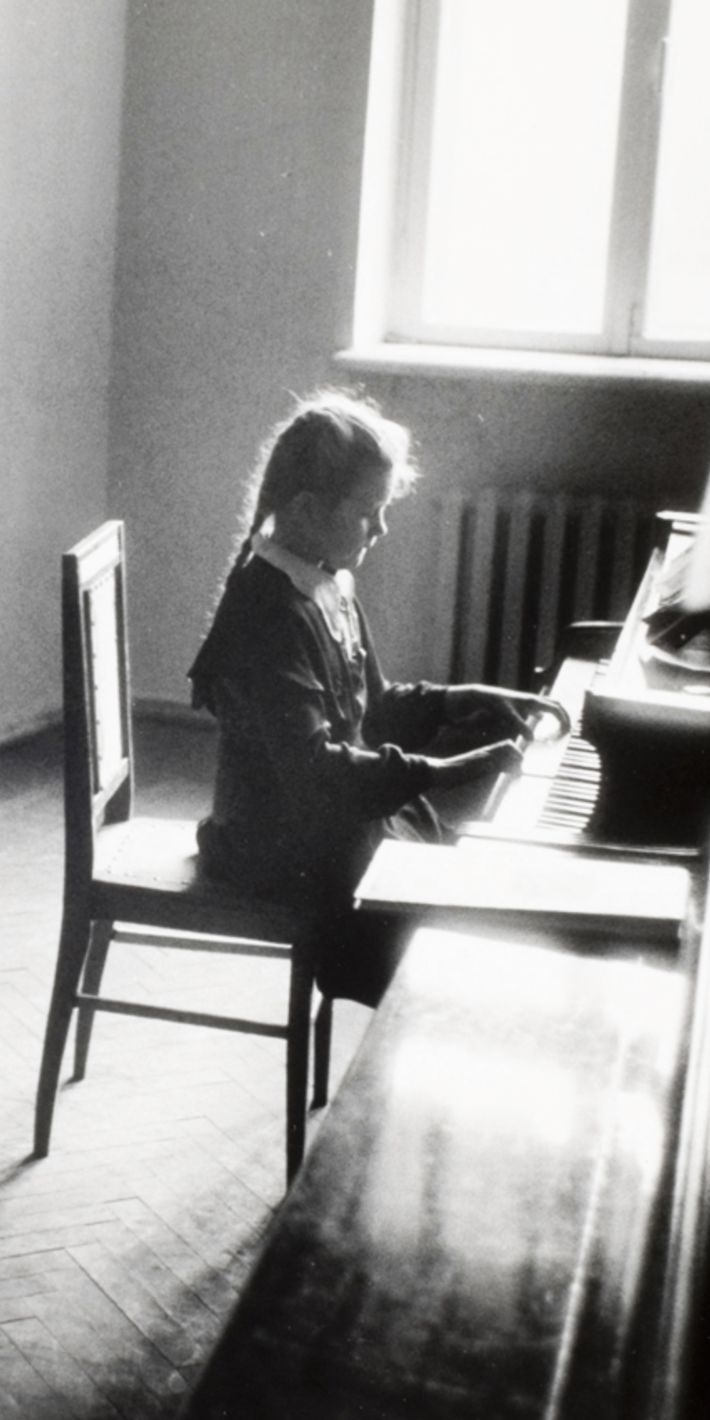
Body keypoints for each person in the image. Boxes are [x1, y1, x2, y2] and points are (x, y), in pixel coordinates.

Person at [187, 391, 568, 1007]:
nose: (382, 527)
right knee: (437, 946)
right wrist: (444, 771)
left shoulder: (321, 580)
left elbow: (374, 707)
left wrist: (463, 699)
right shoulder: (269, 609)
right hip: (276, 846)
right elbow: (312, 771)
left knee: (454, 905)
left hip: (326, 826)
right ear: (309, 510)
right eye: (370, 511)